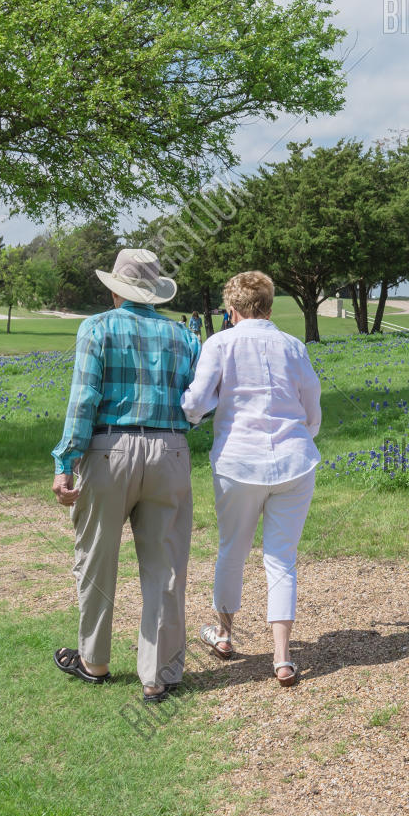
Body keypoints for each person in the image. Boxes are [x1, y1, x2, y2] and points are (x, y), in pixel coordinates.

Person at [51, 249, 201, 704]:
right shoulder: (183, 335)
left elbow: (84, 400)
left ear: (115, 287)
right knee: (166, 565)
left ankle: (94, 661)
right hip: (169, 449)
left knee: (97, 557)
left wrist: (65, 461)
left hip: (109, 449)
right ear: (154, 292)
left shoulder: (97, 327)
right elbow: (199, 404)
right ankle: (157, 675)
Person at [182, 271, 321, 686]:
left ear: (232, 309)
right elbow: (311, 408)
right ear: (270, 305)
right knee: (281, 556)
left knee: (232, 548)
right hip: (294, 461)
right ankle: (282, 657)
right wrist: (299, 436)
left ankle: (224, 634)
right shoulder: (293, 346)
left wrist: (190, 413)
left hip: (238, 463)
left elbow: (197, 403)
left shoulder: (220, 343)